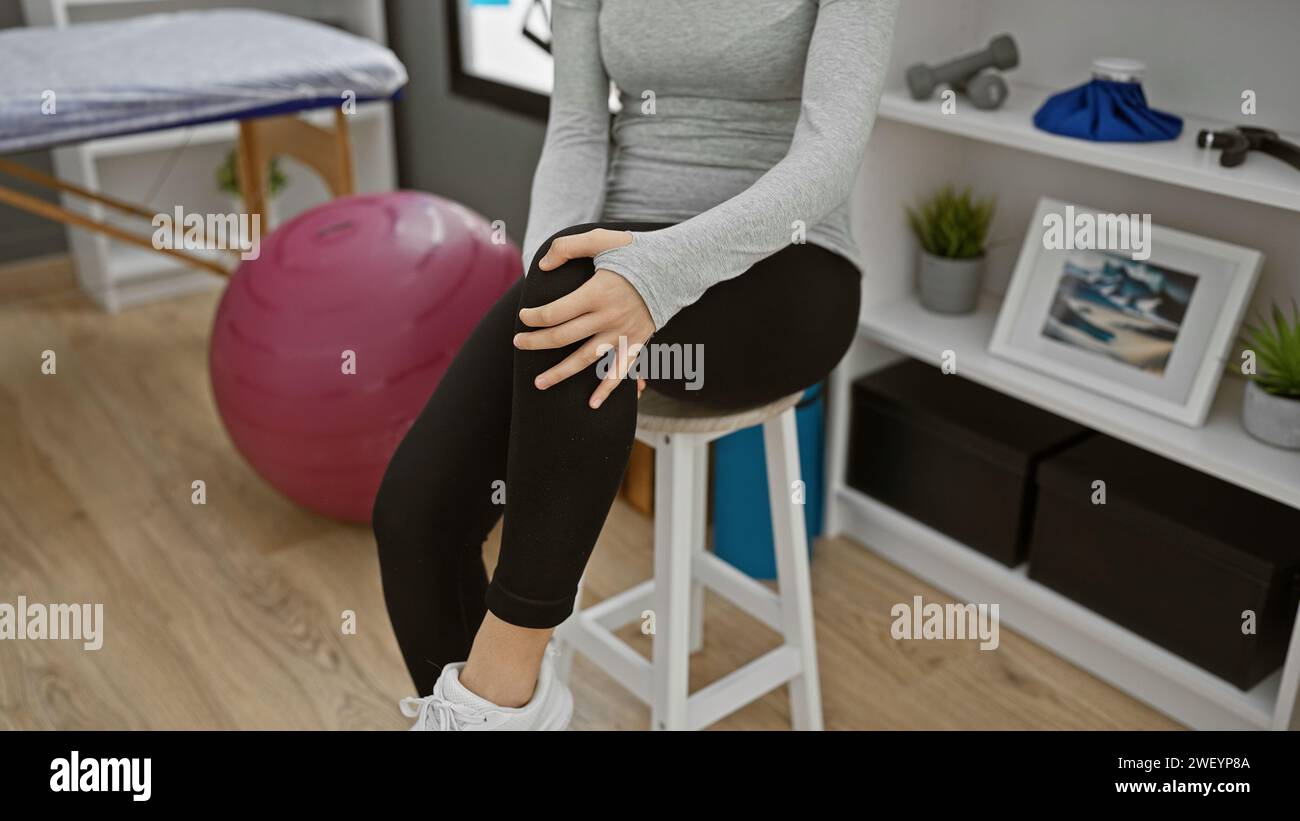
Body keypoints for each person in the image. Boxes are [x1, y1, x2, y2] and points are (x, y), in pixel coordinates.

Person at [373, 0, 899, 731]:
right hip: (604, 266)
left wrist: (657, 285)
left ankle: (504, 683)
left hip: (787, 267)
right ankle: (489, 714)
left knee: (575, 285)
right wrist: (549, 292)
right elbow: (579, 133)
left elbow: (830, 155)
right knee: (414, 514)